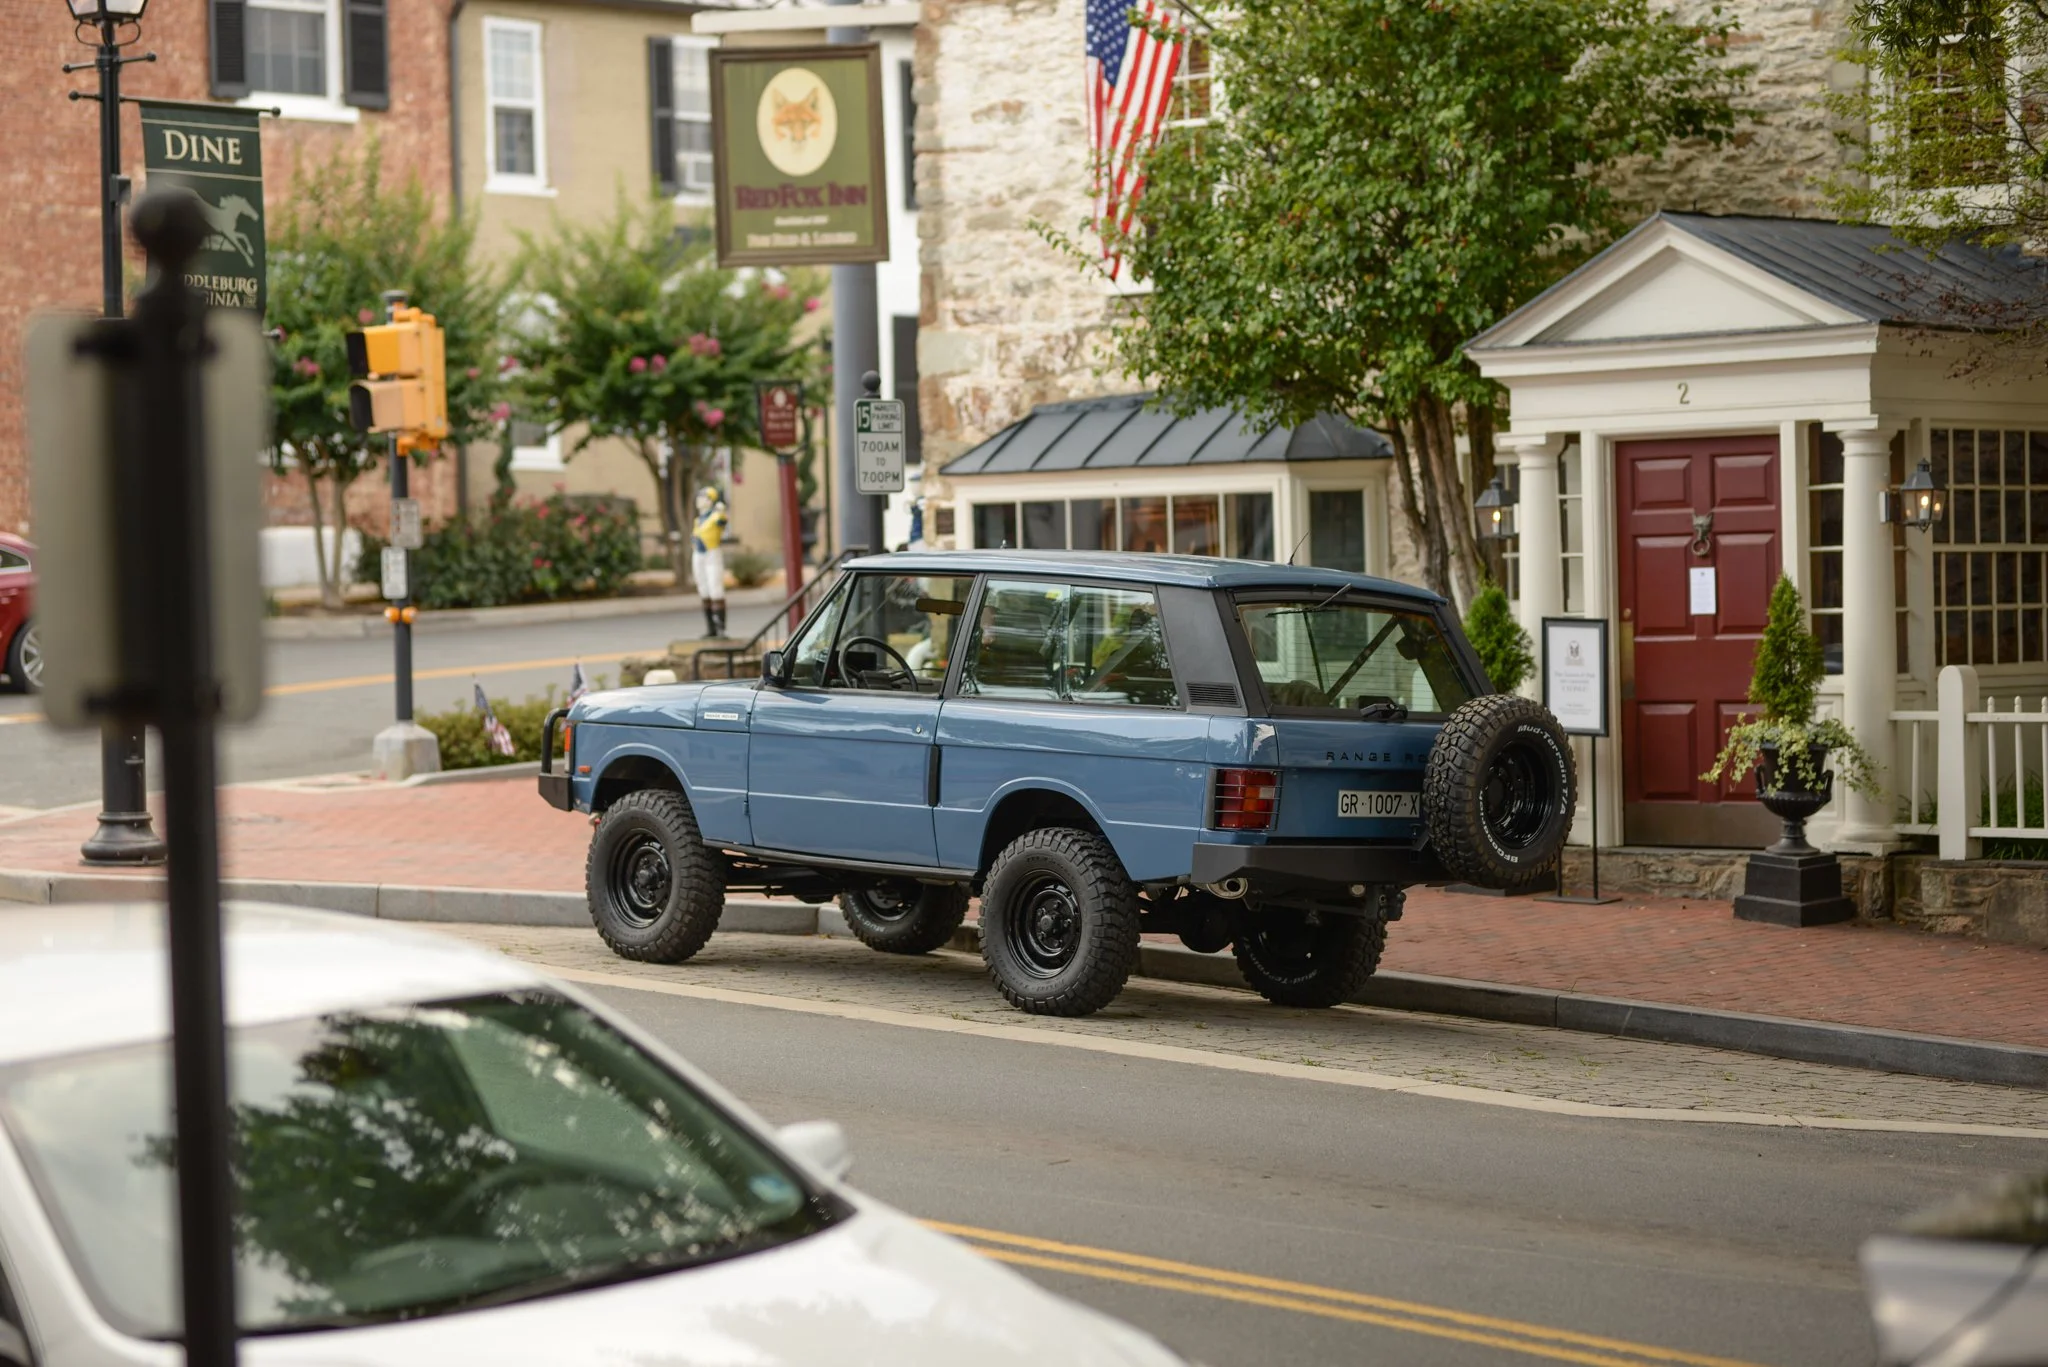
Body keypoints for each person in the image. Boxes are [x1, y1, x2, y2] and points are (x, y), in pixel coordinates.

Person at [692, 486, 730, 639]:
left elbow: (722, 521)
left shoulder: (716, 516)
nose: (699, 500)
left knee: (715, 589)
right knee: (704, 589)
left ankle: (720, 628)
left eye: (703, 497)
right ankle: (711, 628)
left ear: (710, 500)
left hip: (712, 554)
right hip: (699, 554)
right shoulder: (698, 520)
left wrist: (721, 511)